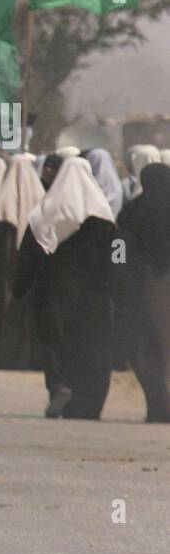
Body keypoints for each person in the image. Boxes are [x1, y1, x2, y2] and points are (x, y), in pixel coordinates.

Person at [13, 157, 119, 420]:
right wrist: (119, 287)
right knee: (91, 349)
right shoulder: (106, 221)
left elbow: (28, 256)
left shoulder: (43, 216)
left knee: (57, 346)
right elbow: (119, 258)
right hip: (94, 299)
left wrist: (18, 288)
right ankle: (88, 404)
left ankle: (60, 387)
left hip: (54, 296)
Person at [0, 154, 45, 370]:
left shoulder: (0, 206)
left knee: (3, 311)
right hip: (30, 270)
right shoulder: (43, 202)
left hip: (4, 271)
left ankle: (0, 355)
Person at [116, 162, 170, 422]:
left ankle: (157, 406)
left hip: (142, 286)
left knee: (147, 347)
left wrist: (119, 272)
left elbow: (118, 248)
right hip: (157, 284)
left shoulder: (131, 211)